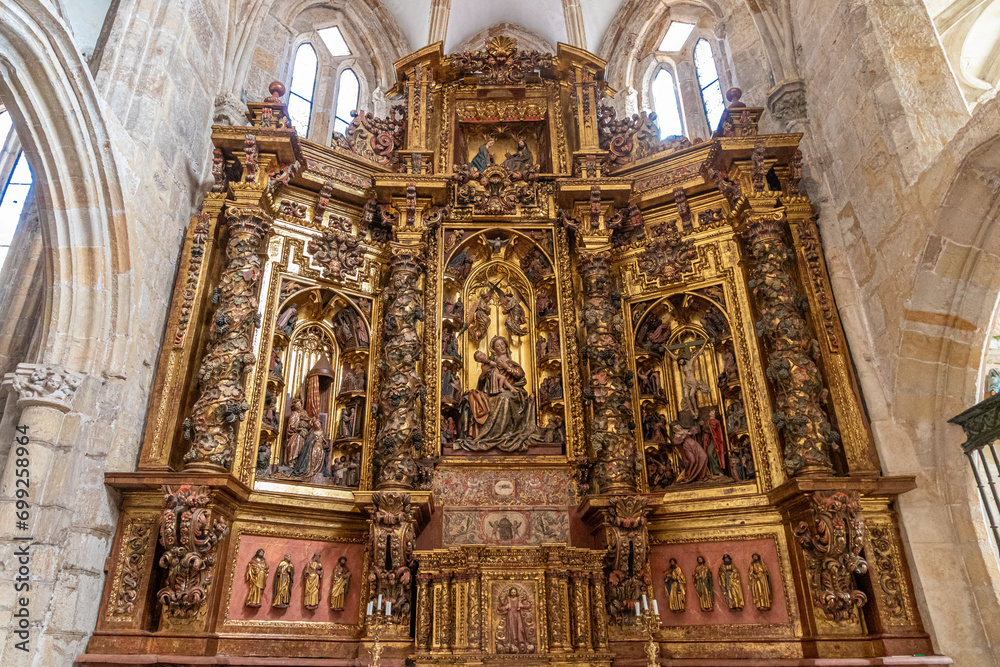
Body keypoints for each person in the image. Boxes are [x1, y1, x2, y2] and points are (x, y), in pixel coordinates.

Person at [457, 336, 542, 452]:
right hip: (492, 392)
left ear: (506, 346)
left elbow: (520, 375)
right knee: (469, 398)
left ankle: (500, 435)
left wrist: (507, 367)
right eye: (498, 345)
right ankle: (472, 435)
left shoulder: (511, 363)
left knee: (504, 398)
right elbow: (481, 387)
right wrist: (483, 375)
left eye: (502, 344)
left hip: (512, 392)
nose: (501, 347)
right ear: (494, 349)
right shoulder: (490, 364)